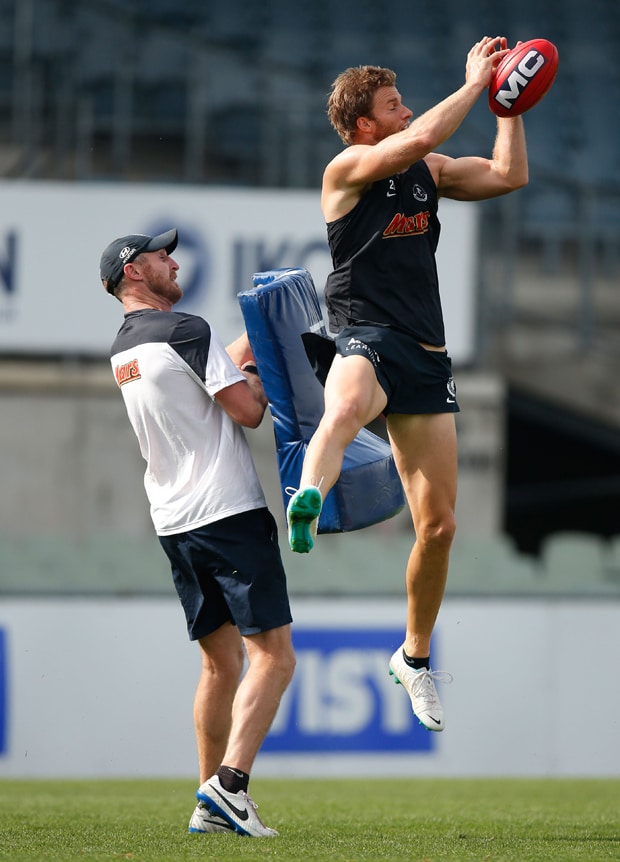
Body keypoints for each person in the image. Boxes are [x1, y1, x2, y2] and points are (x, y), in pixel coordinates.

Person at [286, 37, 528, 732]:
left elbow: (508, 176)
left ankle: (413, 659)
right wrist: (478, 83)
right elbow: (422, 133)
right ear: (365, 123)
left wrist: (510, 104)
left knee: (441, 527)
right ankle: (310, 497)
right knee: (349, 403)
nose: (408, 110)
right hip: (364, 331)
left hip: (426, 353)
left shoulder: (428, 168)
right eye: (393, 104)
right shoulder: (349, 168)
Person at [100, 228, 295, 838]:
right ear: (135, 272)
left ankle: (209, 805)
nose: (173, 261)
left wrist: (247, 341)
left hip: (174, 521)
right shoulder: (186, 329)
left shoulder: (125, 347)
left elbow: (197, 377)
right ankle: (230, 786)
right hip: (227, 512)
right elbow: (248, 412)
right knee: (275, 657)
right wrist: (269, 374)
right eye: (161, 256)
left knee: (219, 667)